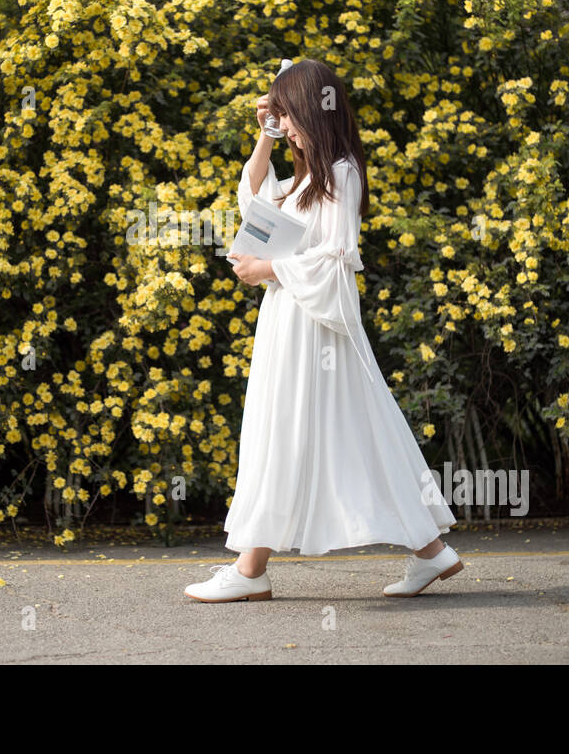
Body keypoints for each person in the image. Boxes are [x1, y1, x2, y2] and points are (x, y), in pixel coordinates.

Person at [184, 59, 462, 603]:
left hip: (312, 327)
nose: (284, 125)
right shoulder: (313, 176)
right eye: (279, 116)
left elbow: (336, 262)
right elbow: (255, 204)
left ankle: (249, 571)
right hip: (295, 322)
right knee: (352, 431)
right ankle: (432, 552)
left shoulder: (339, 173)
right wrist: (263, 137)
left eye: (287, 114)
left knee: (287, 430)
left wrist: (269, 269)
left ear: (312, 109)